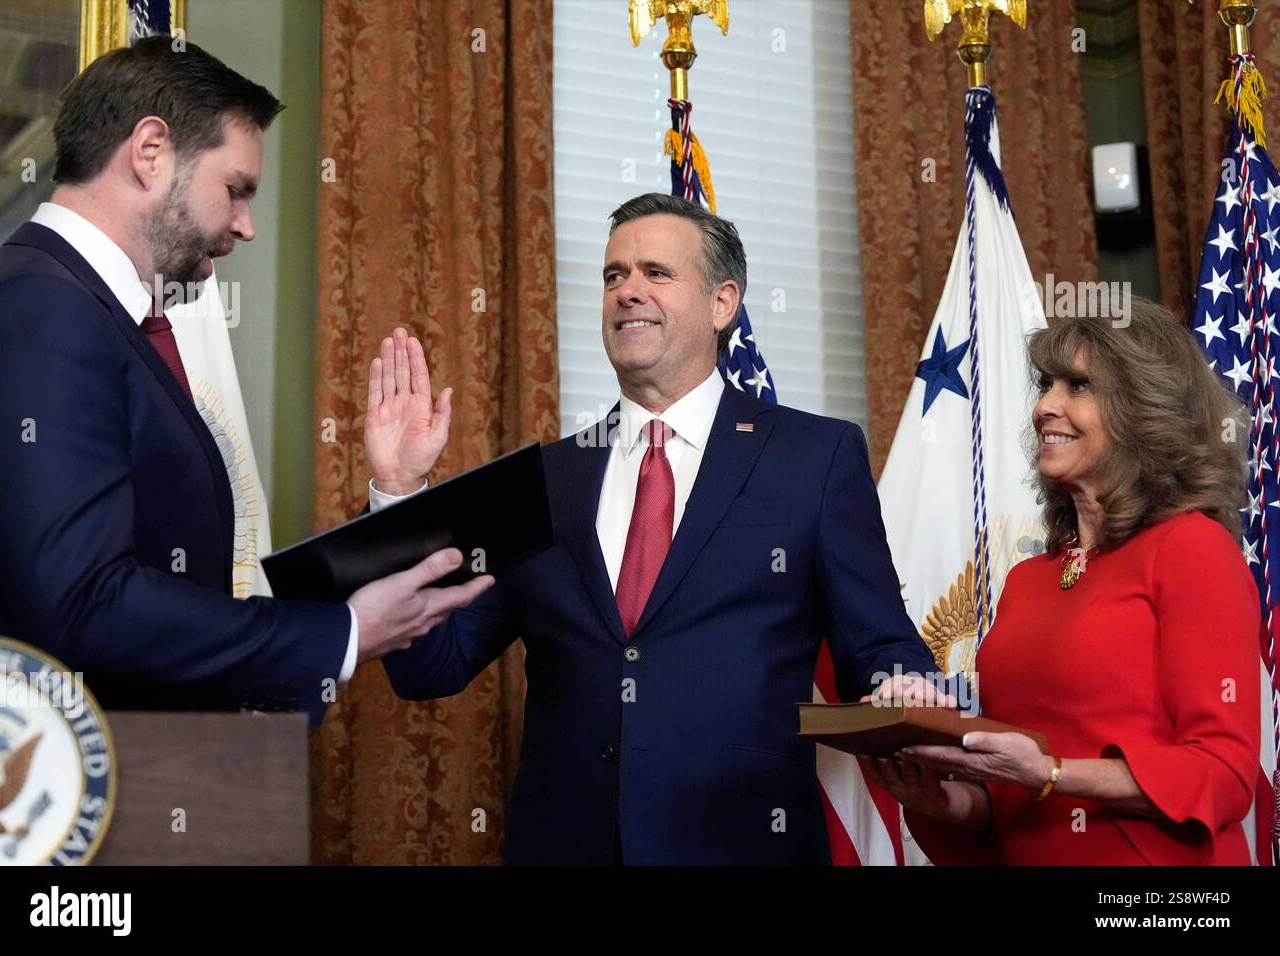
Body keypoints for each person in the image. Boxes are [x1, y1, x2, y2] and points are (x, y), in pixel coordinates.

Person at [382, 192, 948, 864]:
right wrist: (397, 492)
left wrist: (902, 685)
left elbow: (880, 648)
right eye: (614, 276)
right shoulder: (543, 480)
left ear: (722, 303)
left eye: (657, 272)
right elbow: (429, 665)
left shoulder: (814, 459)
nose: (628, 291)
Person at [0, 37, 491, 723]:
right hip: (74, 793)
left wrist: (386, 516)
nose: (246, 226)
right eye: (236, 190)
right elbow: (84, 600)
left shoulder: (78, 307)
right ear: (150, 153)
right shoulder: (46, 310)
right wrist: (343, 633)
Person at [863, 301, 1261, 865]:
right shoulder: (1028, 580)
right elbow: (1015, 801)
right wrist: (941, 800)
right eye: (1046, 385)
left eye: (1078, 386)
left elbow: (1223, 774)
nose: (1045, 406)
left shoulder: (1191, 549)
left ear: (1143, 411)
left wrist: (1052, 773)